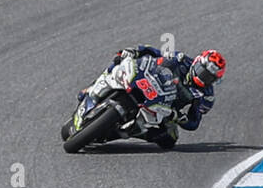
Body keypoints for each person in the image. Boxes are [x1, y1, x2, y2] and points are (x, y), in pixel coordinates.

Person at [80, 45, 226, 148]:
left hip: (166, 109)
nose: (204, 78)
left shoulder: (206, 96)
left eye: (210, 78)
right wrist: (135, 52)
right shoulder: (181, 59)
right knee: (120, 61)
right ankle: (93, 88)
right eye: (203, 72)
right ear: (197, 62)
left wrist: (181, 118)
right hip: (149, 85)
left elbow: (194, 122)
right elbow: (153, 52)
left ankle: (125, 133)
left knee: (170, 140)